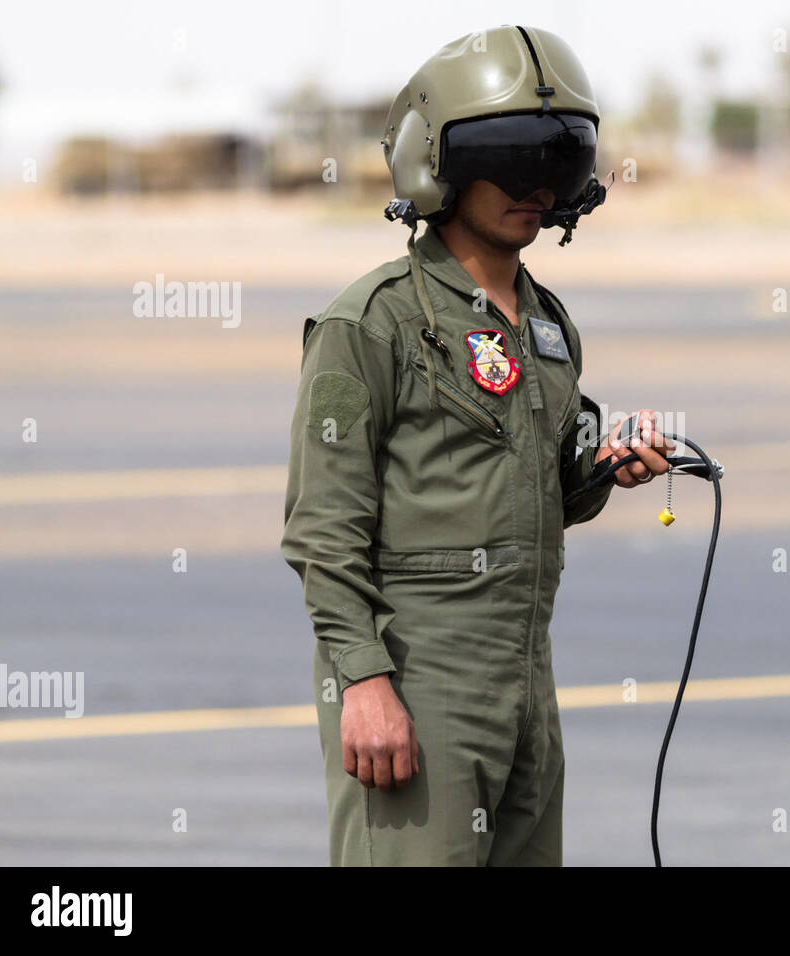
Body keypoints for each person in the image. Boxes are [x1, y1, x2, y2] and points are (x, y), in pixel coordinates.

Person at [281, 24, 672, 866]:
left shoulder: (548, 325)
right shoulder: (372, 323)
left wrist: (604, 471)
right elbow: (322, 532)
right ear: (440, 163)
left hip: (527, 680)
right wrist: (366, 682)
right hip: (420, 680)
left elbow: (541, 487)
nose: (535, 186)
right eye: (508, 156)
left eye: (554, 158)